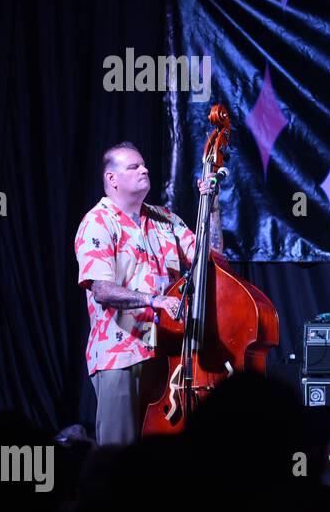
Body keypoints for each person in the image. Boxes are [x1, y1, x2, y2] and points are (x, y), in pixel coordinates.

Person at [74, 142, 220, 444]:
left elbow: (213, 256)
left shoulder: (164, 219)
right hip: (121, 356)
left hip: (167, 353)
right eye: (134, 167)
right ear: (112, 179)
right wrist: (154, 300)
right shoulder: (97, 223)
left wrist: (212, 204)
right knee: (119, 453)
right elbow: (101, 289)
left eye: (144, 165)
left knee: (160, 452)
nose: (145, 170)